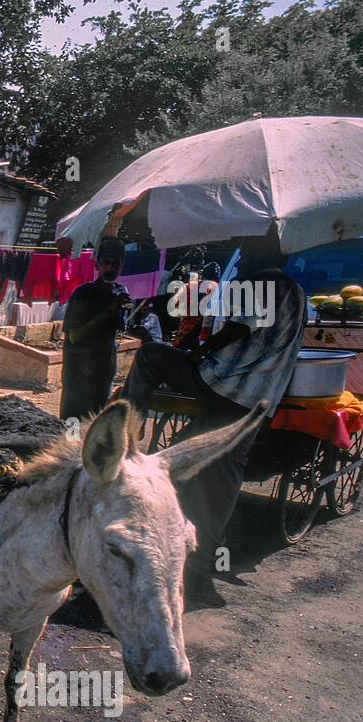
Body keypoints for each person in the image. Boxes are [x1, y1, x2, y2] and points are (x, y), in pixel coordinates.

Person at [121, 227, 306, 602]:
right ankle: (198, 563)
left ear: (262, 250)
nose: (241, 254)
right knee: (214, 473)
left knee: (150, 356)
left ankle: (124, 435)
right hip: (259, 400)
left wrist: (201, 351)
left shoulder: (264, 282)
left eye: (246, 246)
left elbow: (237, 329)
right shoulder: (298, 292)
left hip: (225, 386)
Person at [59, 236, 132, 421]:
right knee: (73, 420)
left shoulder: (121, 292)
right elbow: (74, 336)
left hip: (104, 366)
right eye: (106, 263)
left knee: (97, 419)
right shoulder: (83, 294)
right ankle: (69, 448)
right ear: (97, 266)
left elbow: (119, 328)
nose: (110, 268)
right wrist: (108, 311)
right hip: (79, 369)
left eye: (115, 264)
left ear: (121, 266)